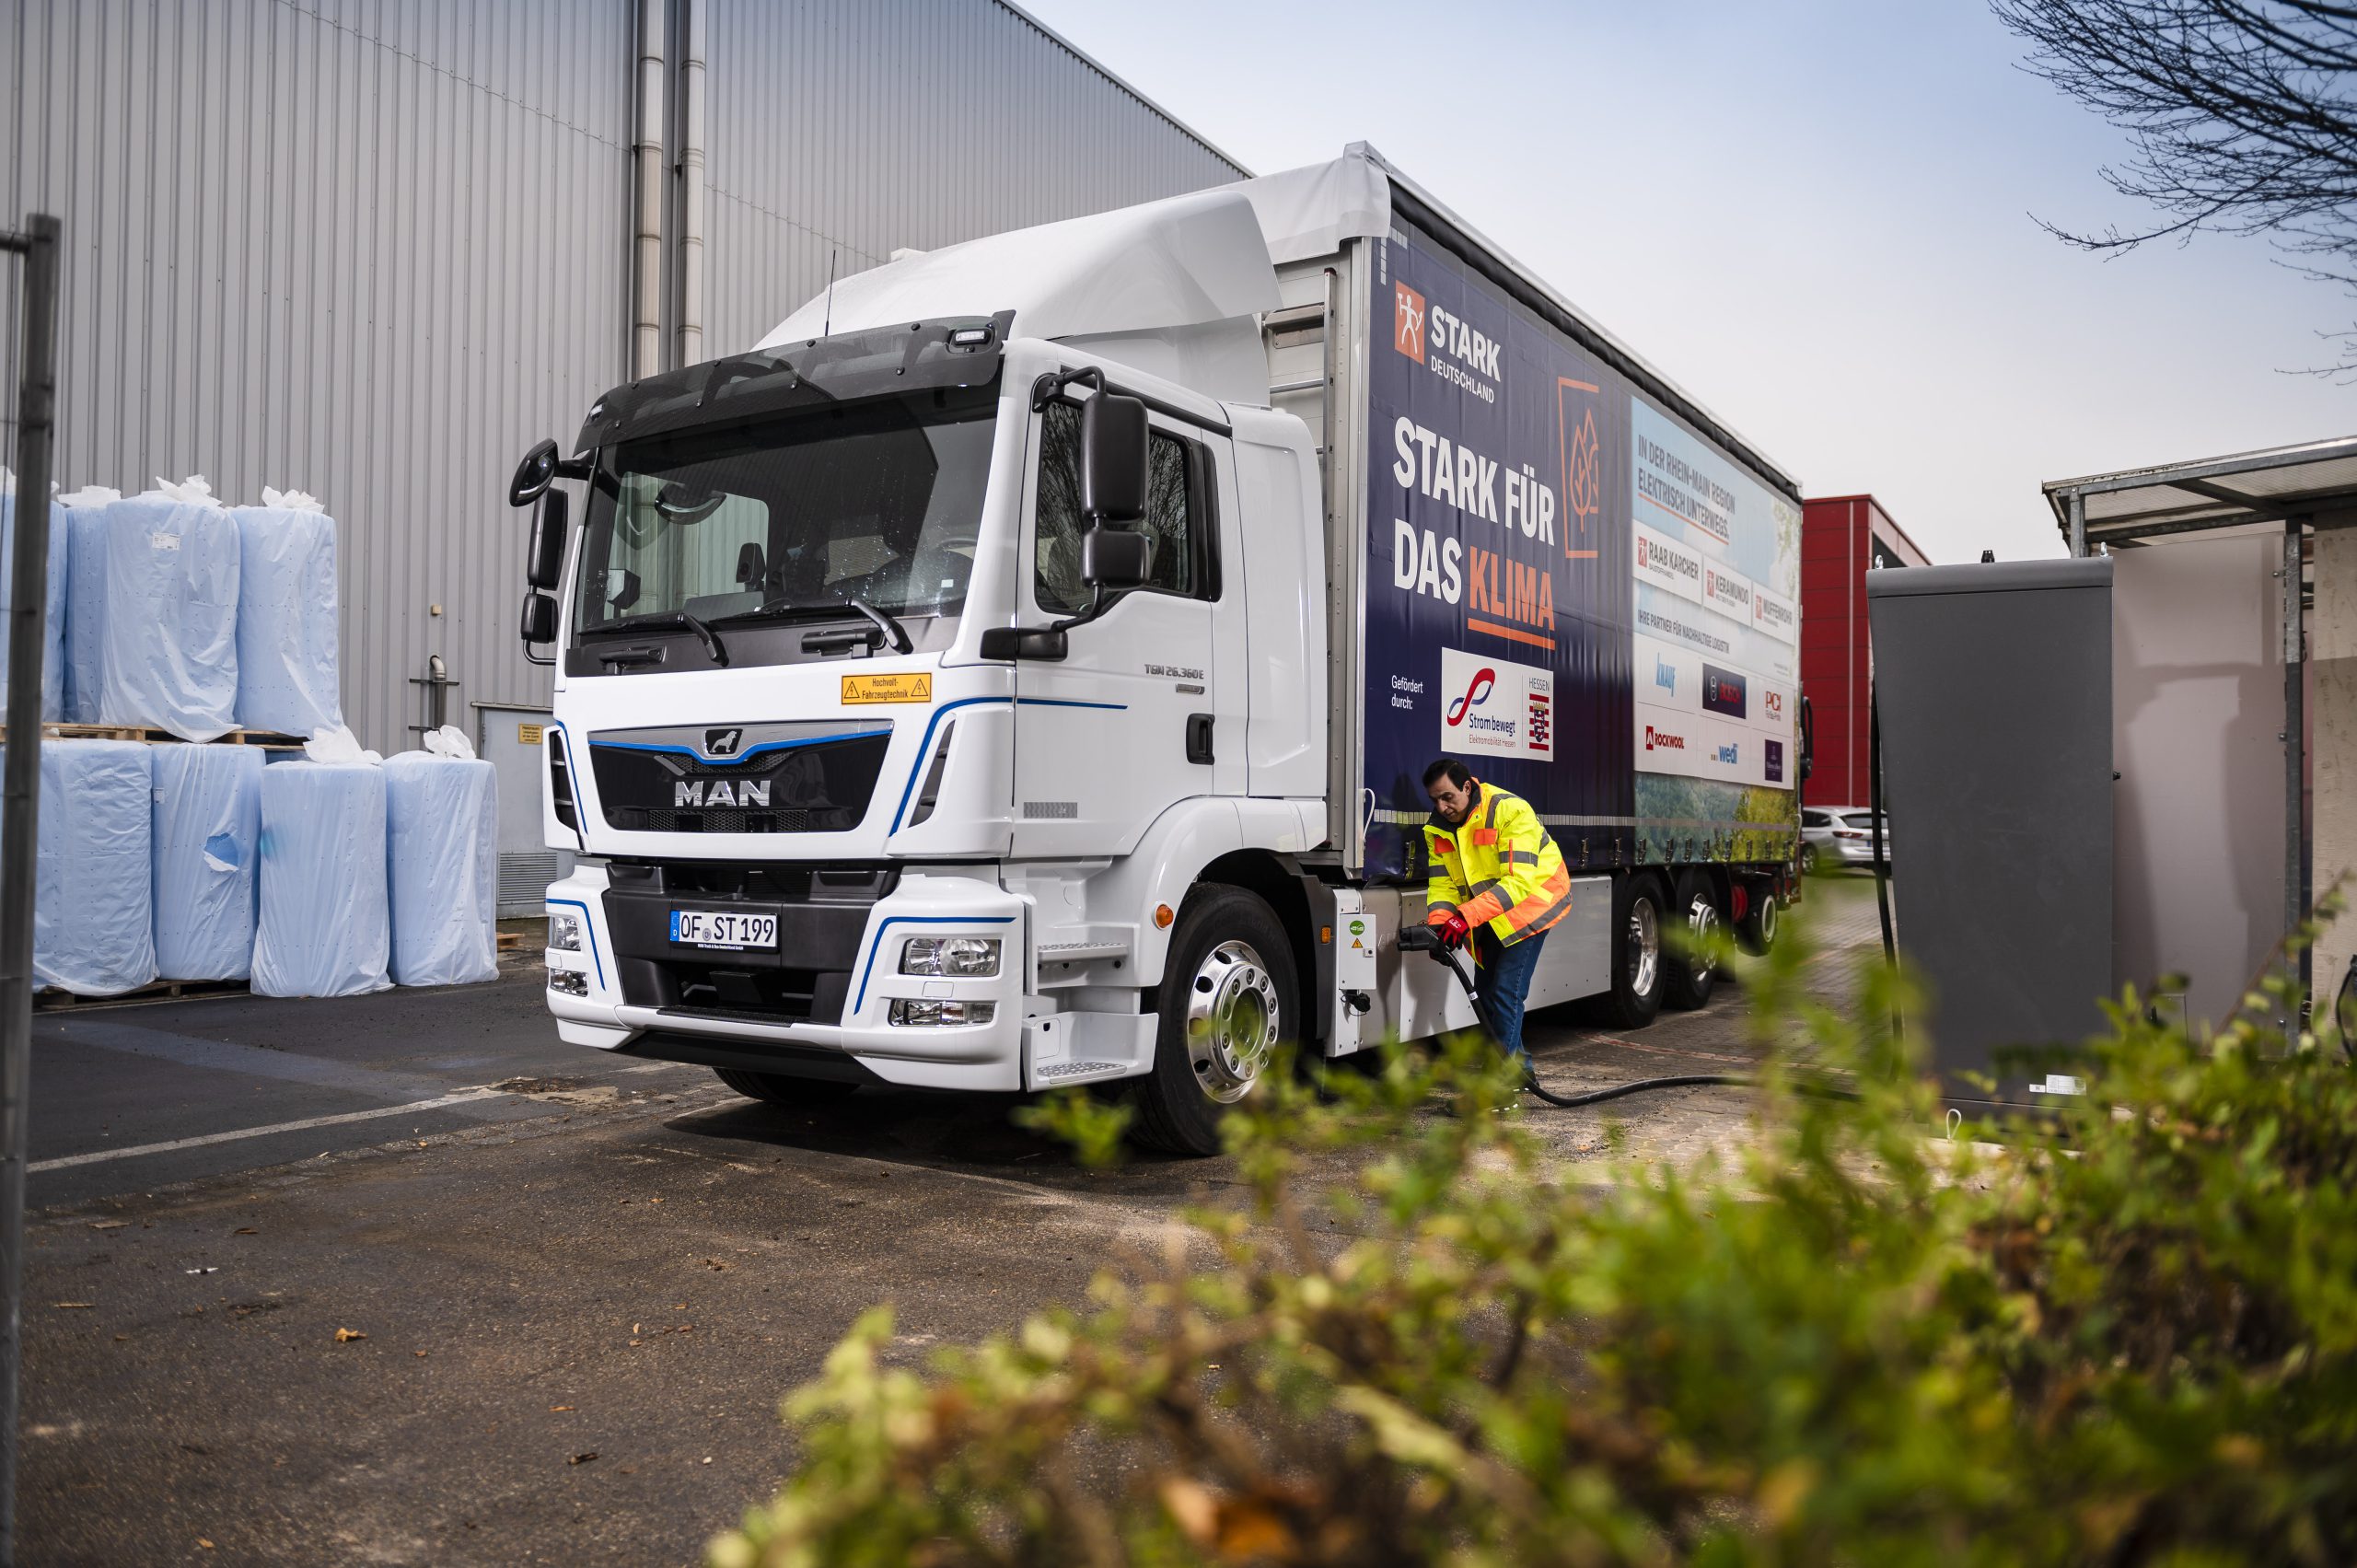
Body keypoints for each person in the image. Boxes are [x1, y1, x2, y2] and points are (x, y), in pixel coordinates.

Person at [1422, 758, 1572, 1075]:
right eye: (1435, 799)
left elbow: (1519, 882)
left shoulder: (1509, 810)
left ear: (1466, 786)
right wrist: (1439, 925)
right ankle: (1518, 1070)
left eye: (1447, 797)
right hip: (1488, 914)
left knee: (1505, 991)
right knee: (1486, 993)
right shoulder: (1437, 828)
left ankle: (1503, 1080)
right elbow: (1443, 885)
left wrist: (1464, 918)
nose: (1442, 807)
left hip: (1531, 906)